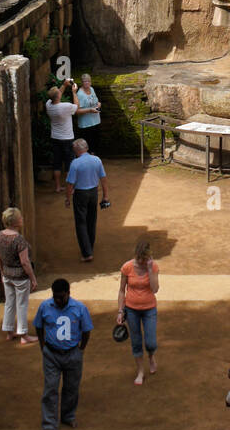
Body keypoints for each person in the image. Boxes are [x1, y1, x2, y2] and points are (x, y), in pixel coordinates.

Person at [33, 278, 93, 430]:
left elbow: (86, 330)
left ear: (68, 293)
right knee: (50, 388)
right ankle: (49, 423)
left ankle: (68, 416)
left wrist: (81, 349)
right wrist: (42, 345)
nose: (58, 300)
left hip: (72, 353)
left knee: (71, 388)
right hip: (51, 354)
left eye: (61, 297)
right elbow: (38, 326)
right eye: (55, 297)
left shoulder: (79, 308)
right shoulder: (45, 306)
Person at [117, 237, 159, 385]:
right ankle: (140, 371)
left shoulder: (153, 267)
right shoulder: (127, 267)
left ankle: (151, 356)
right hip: (131, 310)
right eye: (139, 258)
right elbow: (121, 291)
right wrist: (120, 311)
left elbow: (155, 289)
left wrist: (149, 269)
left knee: (151, 343)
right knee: (136, 341)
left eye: (144, 259)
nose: (141, 261)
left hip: (149, 309)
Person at [0, 206, 38, 344]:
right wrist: (33, 279)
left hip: (7, 275)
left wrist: (2, 272)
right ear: (15, 222)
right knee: (22, 304)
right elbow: (25, 262)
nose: (22, 219)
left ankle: (9, 332)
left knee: (9, 303)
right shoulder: (19, 240)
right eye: (20, 217)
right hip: (20, 277)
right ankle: (23, 335)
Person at [65, 139, 110, 262]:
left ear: (77, 150)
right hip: (93, 193)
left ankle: (87, 253)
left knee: (81, 222)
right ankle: (90, 246)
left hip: (80, 194)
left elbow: (70, 183)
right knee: (91, 220)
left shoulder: (75, 163)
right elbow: (103, 179)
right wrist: (105, 196)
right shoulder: (97, 160)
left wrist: (67, 198)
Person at [46, 79, 78, 193]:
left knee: (57, 163)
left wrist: (64, 85)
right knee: (69, 163)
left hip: (55, 138)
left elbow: (57, 94)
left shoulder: (48, 105)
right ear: (58, 96)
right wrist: (74, 92)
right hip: (67, 138)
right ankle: (70, 188)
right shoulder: (65, 106)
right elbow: (76, 106)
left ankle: (58, 187)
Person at [75, 74, 102, 154]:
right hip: (86, 124)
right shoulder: (80, 94)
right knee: (88, 146)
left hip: (96, 121)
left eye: (88, 81)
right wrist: (90, 110)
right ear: (82, 83)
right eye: (85, 81)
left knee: (95, 143)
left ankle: (94, 158)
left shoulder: (92, 89)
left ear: (91, 82)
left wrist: (98, 104)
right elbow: (77, 111)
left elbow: (96, 101)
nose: (87, 83)